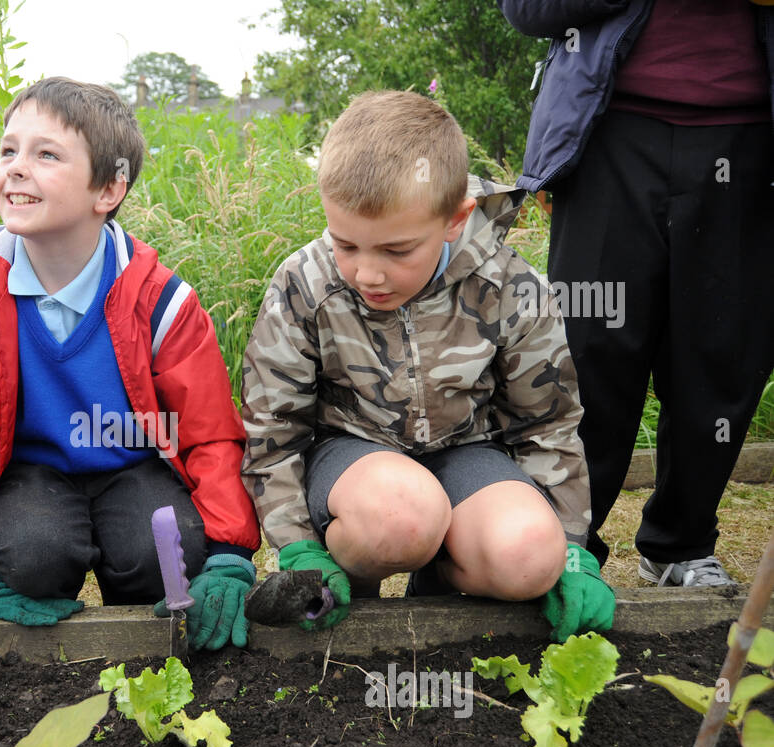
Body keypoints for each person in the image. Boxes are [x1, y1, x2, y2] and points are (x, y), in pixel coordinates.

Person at [241, 90, 613, 642]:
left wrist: (572, 548)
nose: (367, 274)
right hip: (353, 463)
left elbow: (547, 425)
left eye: (396, 251)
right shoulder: (305, 284)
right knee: (401, 517)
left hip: (466, 454)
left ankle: (437, 579)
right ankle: (338, 579)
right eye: (346, 244)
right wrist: (298, 545)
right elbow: (273, 429)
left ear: (455, 219)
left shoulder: (512, 289)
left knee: (533, 556)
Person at [0, 77, 260, 651]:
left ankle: (141, 650)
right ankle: (53, 657)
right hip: (33, 471)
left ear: (108, 188)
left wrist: (231, 553)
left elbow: (208, 432)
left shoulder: (160, 302)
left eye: (46, 154)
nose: (17, 168)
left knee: (165, 552)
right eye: (9, 151)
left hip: (134, 464)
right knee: (31, 557)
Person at [499, 1, 774, 587]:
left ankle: (680, 544)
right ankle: (566, 545)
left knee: (722, 358)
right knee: (587, 354)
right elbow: (525, 9)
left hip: (751, 141)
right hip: (607, 135)